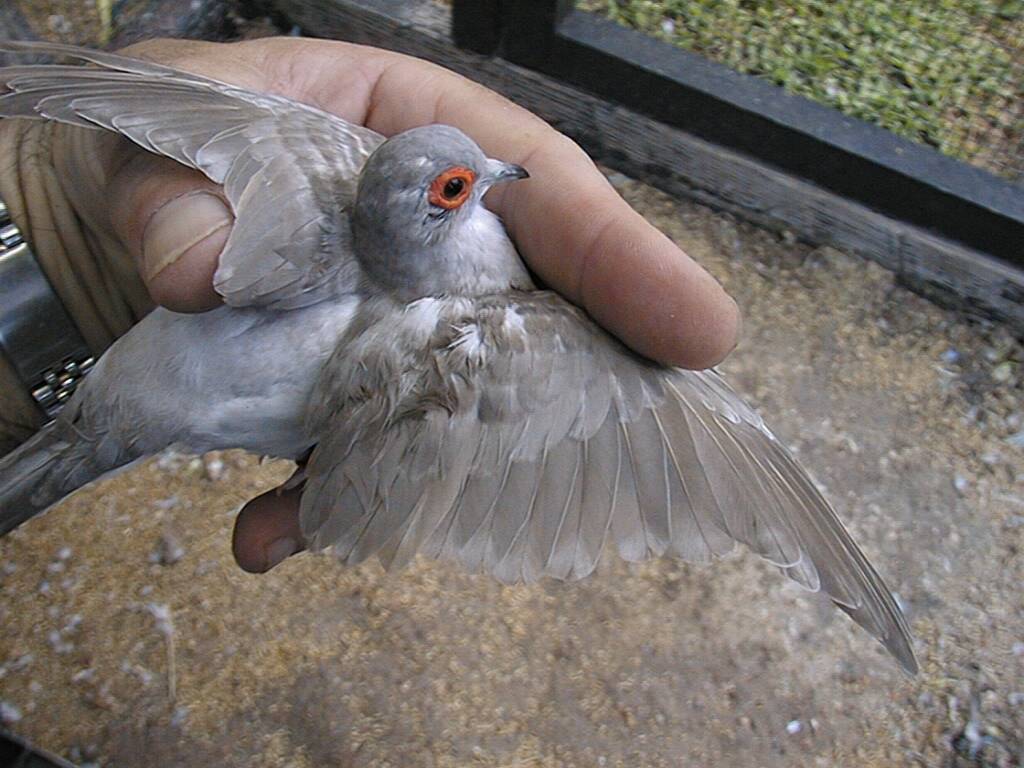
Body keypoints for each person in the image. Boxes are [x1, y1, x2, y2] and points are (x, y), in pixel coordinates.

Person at [0, 37, 739, 573]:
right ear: (436, 207)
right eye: (460, 184)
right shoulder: (463, 318)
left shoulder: (337, 182)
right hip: (145, 385)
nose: (496, 177)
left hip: (135, 376)